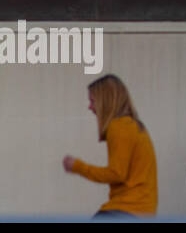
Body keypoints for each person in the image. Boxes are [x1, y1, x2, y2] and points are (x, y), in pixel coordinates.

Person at [62, 74, 158, 217]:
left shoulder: (118, 127)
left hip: (127, 209)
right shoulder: (134, 126)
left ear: (105, 101)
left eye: (92, 101)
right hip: (143, 210)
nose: (89, 107)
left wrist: (77, 166)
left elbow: (116, 174)